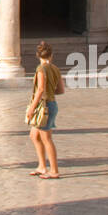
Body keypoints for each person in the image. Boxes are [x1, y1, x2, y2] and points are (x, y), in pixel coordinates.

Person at [25, 40, 62, 179]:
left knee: (46, 138)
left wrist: (31, 108)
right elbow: (61, 90)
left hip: (44, 106)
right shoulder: (55, 69)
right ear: (51, 55)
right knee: (34, 136)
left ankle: (54, 170)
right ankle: (42, 166)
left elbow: (40, 89)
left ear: (37, 55)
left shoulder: (41, 69)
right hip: (52, 104)